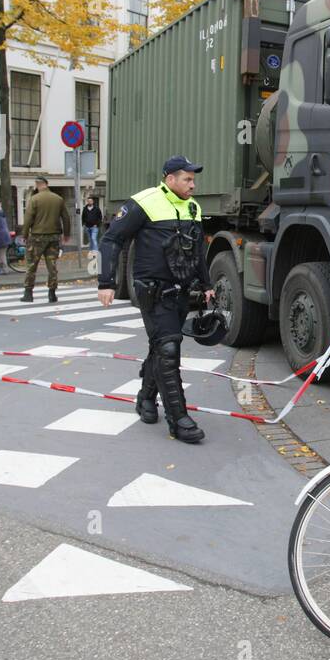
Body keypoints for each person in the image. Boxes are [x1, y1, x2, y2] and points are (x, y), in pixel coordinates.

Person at [96, 156, 215, 444]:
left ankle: (145, 398)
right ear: (169, 179)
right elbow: (112, 240)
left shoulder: (192, 207)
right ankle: (179, 421)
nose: (193, 184)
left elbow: (197, 251)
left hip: (181, 292)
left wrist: (207, 284)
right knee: (169, 347)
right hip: (152, 291)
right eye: (187, 179)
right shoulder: (143, 202)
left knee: (162, 346)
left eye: (193, 179)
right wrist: (106, 282)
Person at [20, 178, 70, 303]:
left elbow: (28, 218)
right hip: (54, 236)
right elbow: (66, 217)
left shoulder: (34, 199)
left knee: (31, 265)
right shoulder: (58, 199)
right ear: (47, 184)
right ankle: (52, 293)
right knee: (52, 265)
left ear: (37, 185)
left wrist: (24, 235)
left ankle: (28, 293)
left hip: (37, 236)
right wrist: (66, 234)